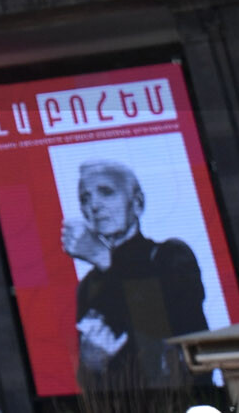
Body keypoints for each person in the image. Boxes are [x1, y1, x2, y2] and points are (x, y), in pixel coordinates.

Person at [62, 159, 206, 390]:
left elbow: (158, 325)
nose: (94, 206)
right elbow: (86, 383)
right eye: (85, 199)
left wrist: (102, 257)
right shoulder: (89, 285)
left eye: (106, 192)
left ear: (137, 203)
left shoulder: (171, 255)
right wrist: (91, 362)